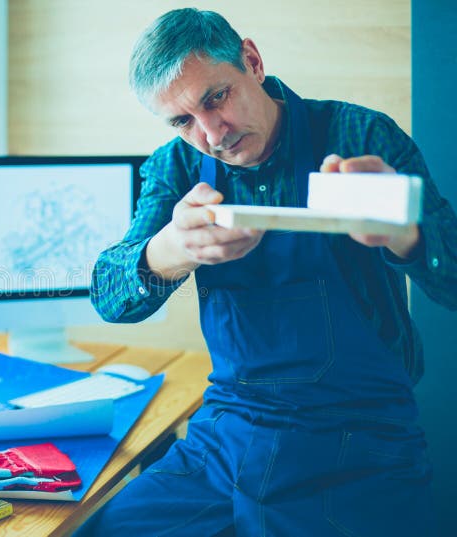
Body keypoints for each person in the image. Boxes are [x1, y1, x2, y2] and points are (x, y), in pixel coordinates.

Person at [75, 7, 457, 537]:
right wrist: (170, 249)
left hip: (359, 444)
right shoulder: (177, 168)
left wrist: (403, 232)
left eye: (216, 98)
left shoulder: (359, 135)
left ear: (251, 62)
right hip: (228, 437)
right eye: (183, 120)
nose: (212, 134)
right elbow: (107, 295)